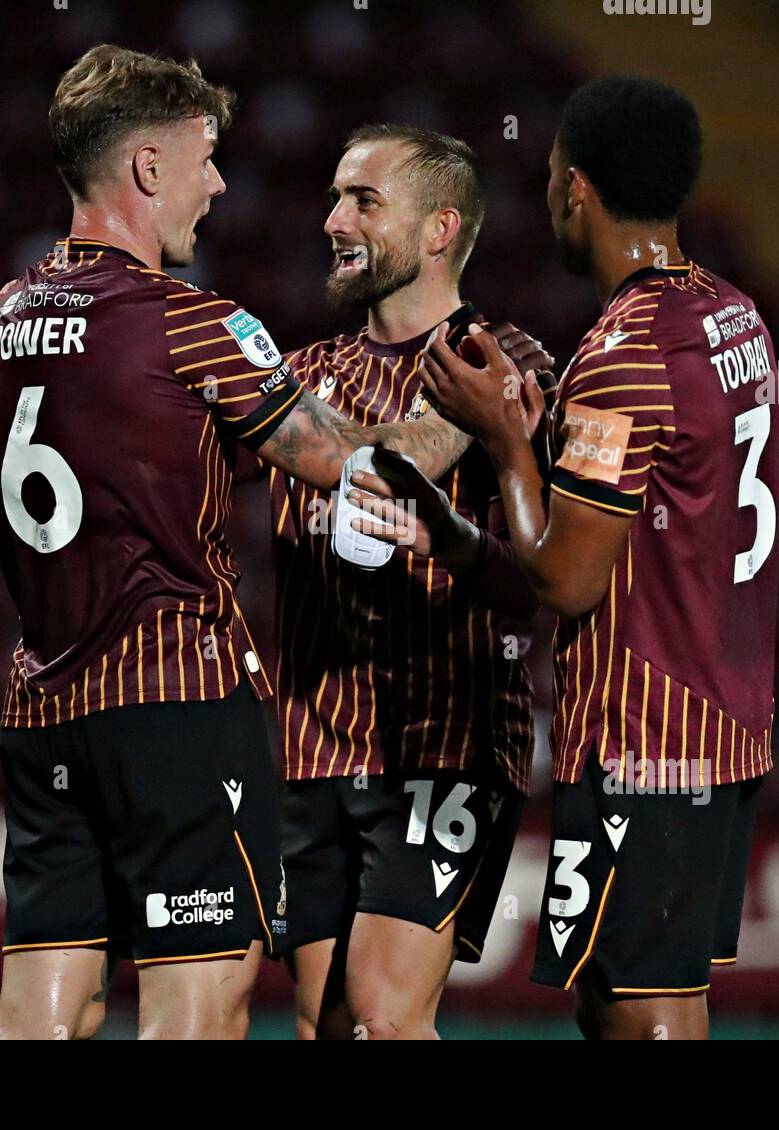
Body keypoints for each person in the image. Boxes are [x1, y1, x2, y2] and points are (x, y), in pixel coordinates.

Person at [0, 44, 475, 1040]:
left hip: (44, 716)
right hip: (179, 708)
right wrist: (465, 414)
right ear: (147, 168)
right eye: (205, 157)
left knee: (40, 1008)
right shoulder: (193, 325)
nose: (218, 183)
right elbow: (351, 464)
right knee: (198, 1006)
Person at [351, 75, 779, 1040]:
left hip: (648, 727)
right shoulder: (736, 318)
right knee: (619, 995)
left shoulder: (624, 352)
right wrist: (458, 539)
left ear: (573, 189)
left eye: (550, 174)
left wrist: (507, 442)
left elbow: (566, 579)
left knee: (640, 1010)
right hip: (725, 712)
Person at [272, 124, 552, 1040]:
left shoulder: (506, 368)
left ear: (439, 230)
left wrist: (447, 537)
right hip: (314, 743)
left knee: (386, 1020)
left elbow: (541, 583)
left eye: (362, 201)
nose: (332, 221)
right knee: (325, 1023)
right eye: (334, 197)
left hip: (446, 740)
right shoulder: (302, 379)